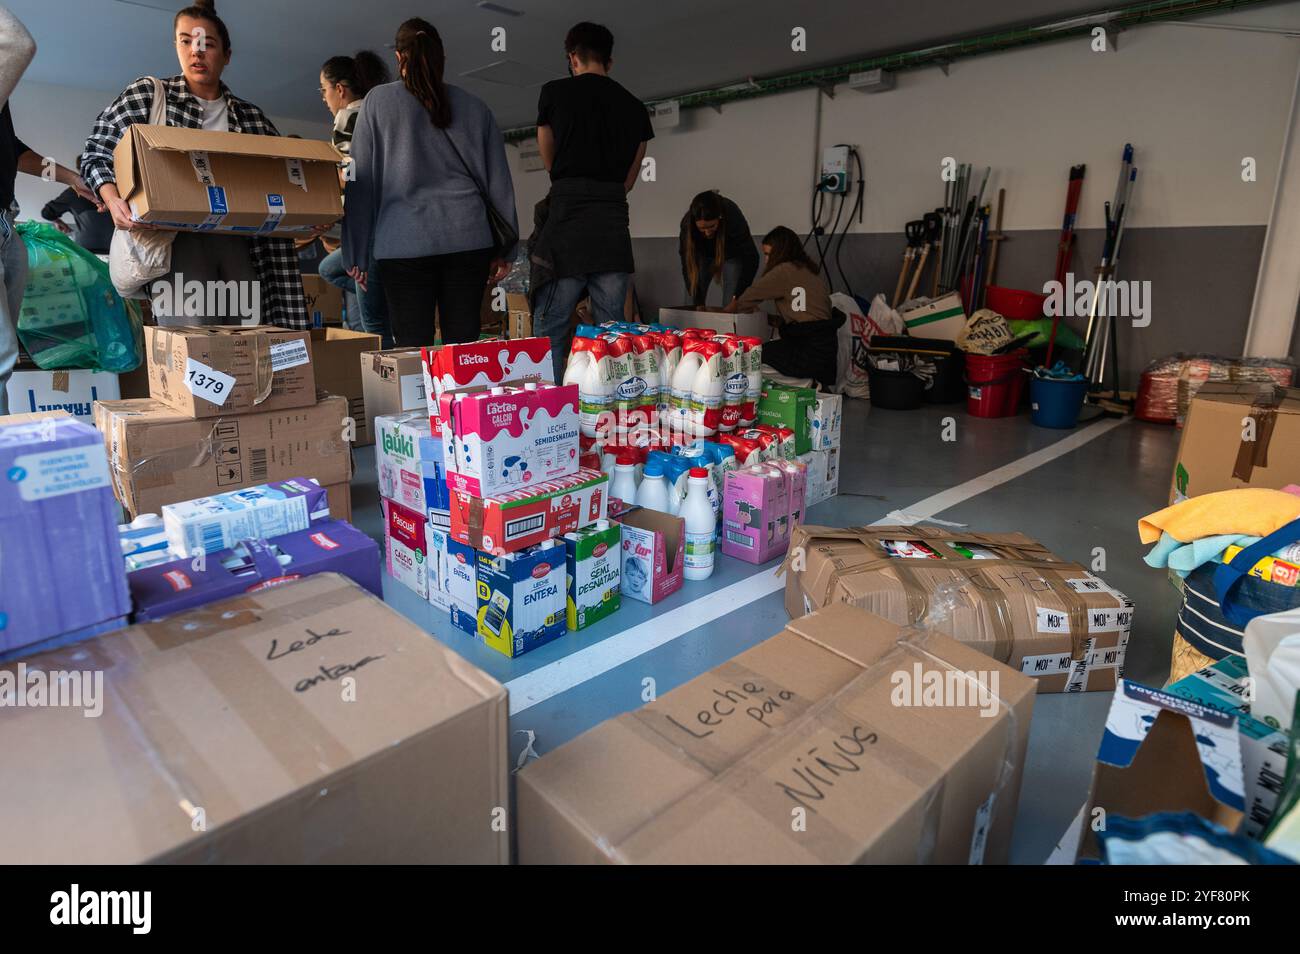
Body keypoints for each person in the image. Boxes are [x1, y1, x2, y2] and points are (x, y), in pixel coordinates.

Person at [81, 0, 311, 328]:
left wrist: (306, 218)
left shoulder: (251, 119)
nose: (196, 51)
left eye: (208, 43)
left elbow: (285, 187)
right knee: (193, 348)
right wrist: (113, 199)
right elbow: (97, 151)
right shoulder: (150, 94)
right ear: (176, 45)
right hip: (174, 241)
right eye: (186, 40)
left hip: (240, 246)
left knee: (247, 342)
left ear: (227, 55)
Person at [343, 19, 516, 348]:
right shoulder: (475, 107)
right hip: (468, 238)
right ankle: (462, 399)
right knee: (462, 347)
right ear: (442, 57)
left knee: (411, 345)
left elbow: (358, 179)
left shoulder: (377, 103)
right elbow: (499, 181)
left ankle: (419, 400)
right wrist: (507, 248)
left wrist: (355, 252)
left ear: (398, 57)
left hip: (402, 242)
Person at [529, 21, 653, 381]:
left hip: (566, 222)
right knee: (612, 333)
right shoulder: (634, 107)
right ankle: (610, 414)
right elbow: (630, 177)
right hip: (612, 226)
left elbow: (548, 157)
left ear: (572, 59)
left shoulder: (553, 93)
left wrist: (570, 183)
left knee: (552, 327)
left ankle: (549, 415)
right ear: (609, 62)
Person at [1, 8, 104, 414]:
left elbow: (17, 154)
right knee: (3, 354)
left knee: (4, 359)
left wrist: (70, 177)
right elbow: (18, 43)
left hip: (8, 227)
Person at [315, 50, 391, 346]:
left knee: (373, 323)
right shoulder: (379, 114)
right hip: (388, 225)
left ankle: (387, 382)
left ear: (340, 89)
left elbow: (350, 175)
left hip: (366, 230)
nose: (324, 98)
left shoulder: (347, 118)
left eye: (324, 90)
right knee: (329, 268)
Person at [723, 226, 844, 390]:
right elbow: (806, 313)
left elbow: (748, 298)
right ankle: (812, 381)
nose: (766, 260)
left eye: (767, 254)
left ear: (779, 253)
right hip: (824, 348)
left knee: (753, 356)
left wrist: (724, 312)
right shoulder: (809, 270)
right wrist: (773, 320)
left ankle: (809, 383)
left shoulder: (783, 270)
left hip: (807, 349)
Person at [679, 190, 758, 307]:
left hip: (732, 254)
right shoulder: (687, 223)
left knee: (730, 304)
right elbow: (687, 264)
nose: (707, 233)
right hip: (702, 255)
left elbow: (752, 257)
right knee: (692, 302)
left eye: (711, 226)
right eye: (702, 228)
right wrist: (698, 302)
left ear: (719, 217)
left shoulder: (732, 214)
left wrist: (738, 295)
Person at [41, 156, 113, 254]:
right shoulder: (113, 189)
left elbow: (47, 213)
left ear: (80, 170)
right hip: (115, 247)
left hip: (86, 251)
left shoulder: (73, 192)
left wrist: (59, 222)